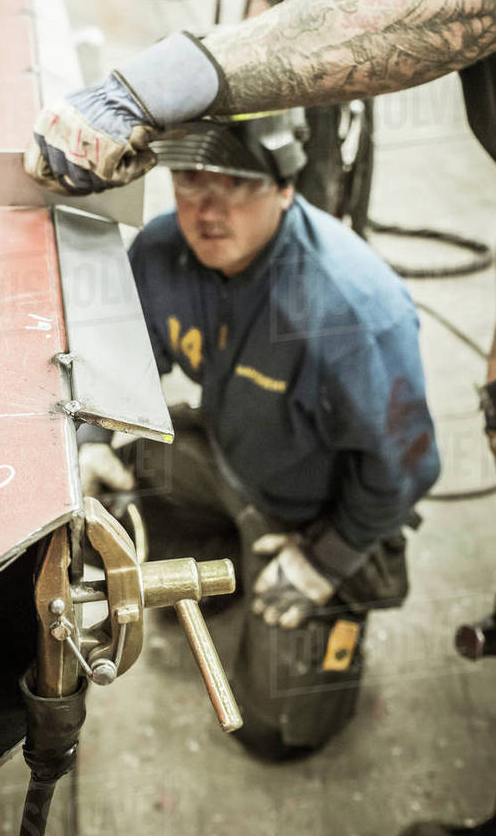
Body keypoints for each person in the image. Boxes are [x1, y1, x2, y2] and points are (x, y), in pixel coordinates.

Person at [28, 0, 496, 833]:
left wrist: (162, 82)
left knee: (283, 723)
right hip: (251, 460)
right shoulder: (173, 251)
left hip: (331, 513)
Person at [78, 110, 438, 759]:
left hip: (317, 514)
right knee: (113, 495)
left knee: (274, 735)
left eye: (236, 183)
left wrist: (326, 560)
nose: (207, 208)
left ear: (284, 186)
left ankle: (314, 592)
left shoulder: (348, 312)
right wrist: (92, 441)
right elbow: (122, 360)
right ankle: (229, 553)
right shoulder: (161, 253)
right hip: (228, 454)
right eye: (189, 178)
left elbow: (407, 467)